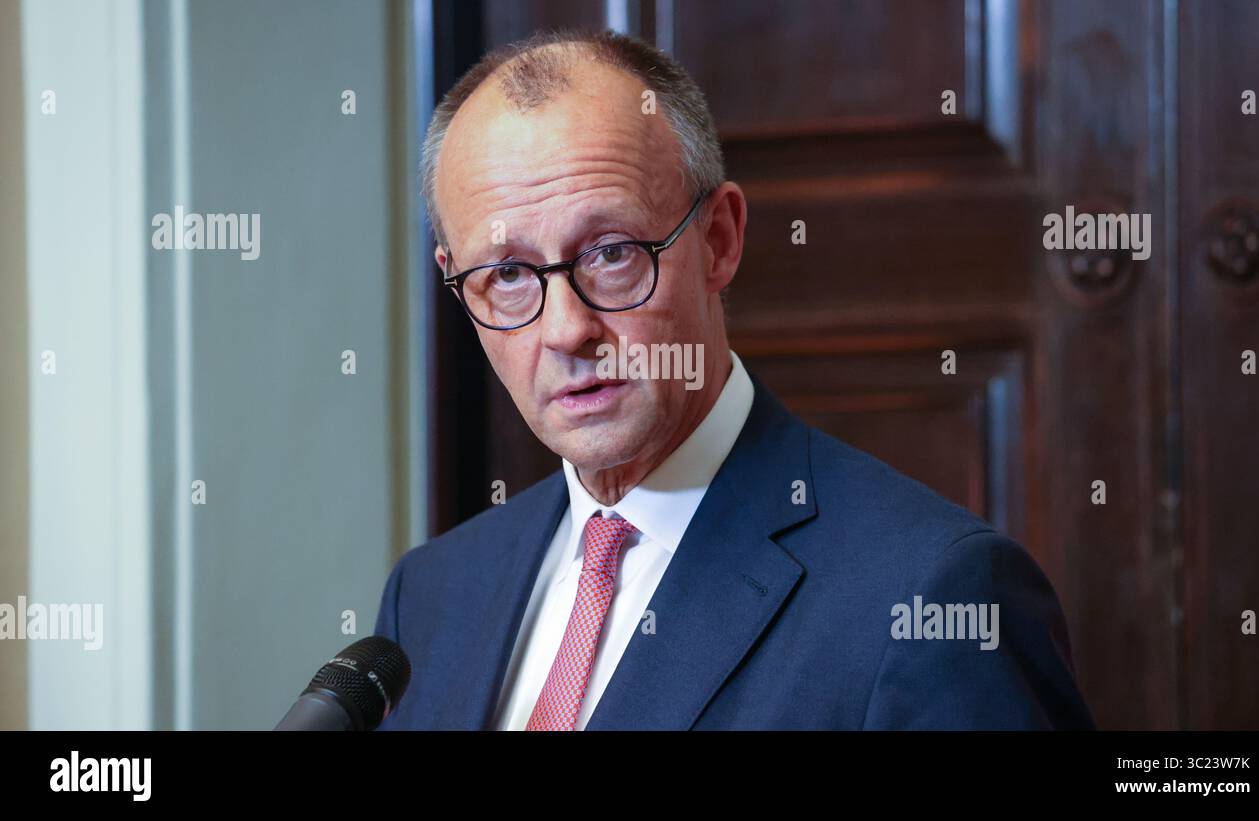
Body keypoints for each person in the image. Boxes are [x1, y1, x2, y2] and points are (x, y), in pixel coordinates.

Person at [374, 29, 1094, 730]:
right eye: (506, 274)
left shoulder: (932, 597)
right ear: (457, 283)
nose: (566, 330)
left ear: (719, 240)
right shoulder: (431, 595)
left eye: (611, 252)